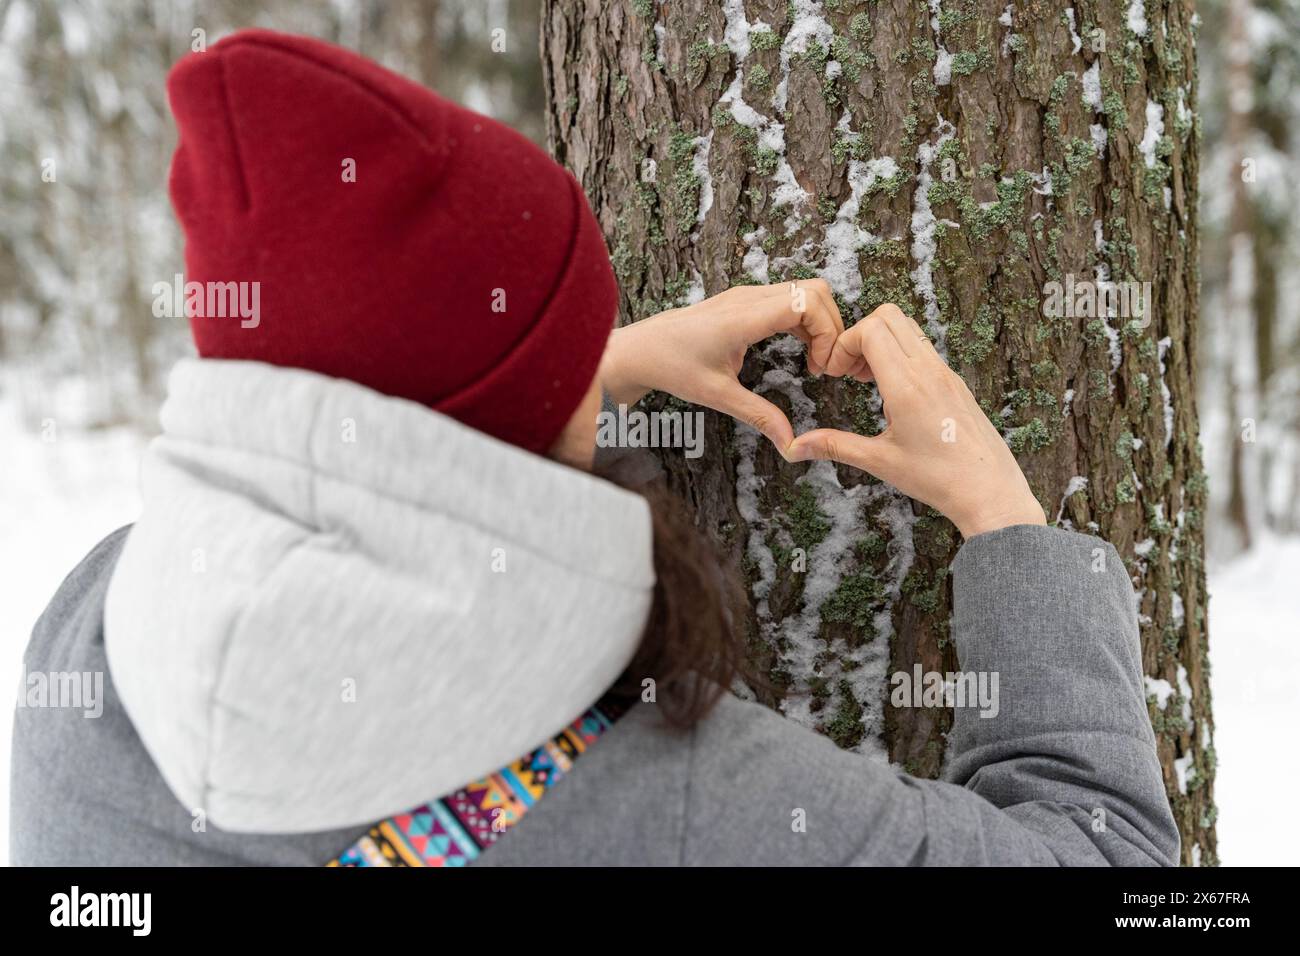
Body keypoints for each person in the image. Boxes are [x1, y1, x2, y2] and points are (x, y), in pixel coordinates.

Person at [9, 30, 1177, 867]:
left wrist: (583, 373)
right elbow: (1101, 854)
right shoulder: (674, 802)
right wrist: (1007, 522)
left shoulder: (96, 623)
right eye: (563, 369)